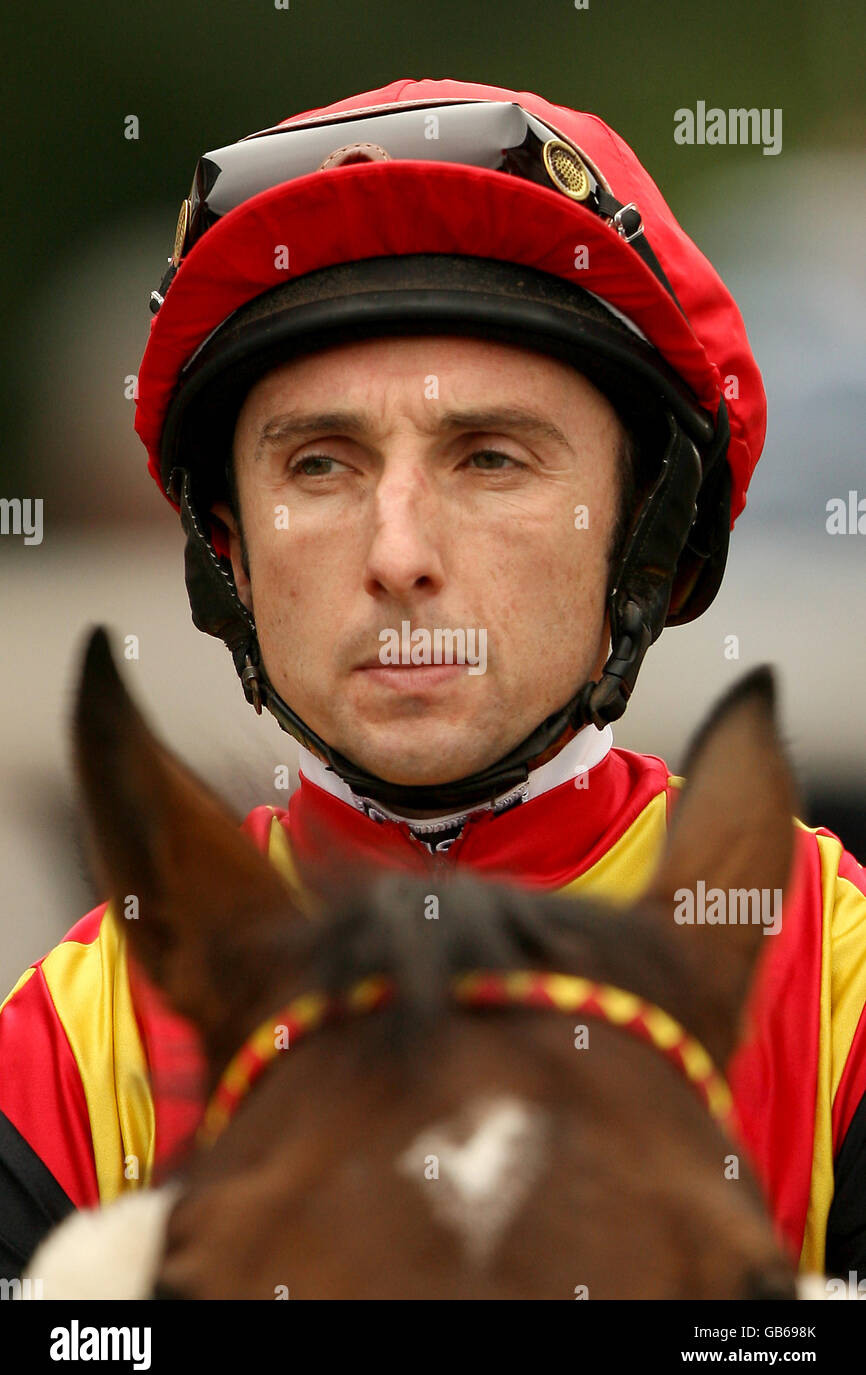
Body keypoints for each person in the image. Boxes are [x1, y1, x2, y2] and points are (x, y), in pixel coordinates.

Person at [1, 76, 864, 1285]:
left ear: (645, 540)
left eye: (490, 457)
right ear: (230, 551)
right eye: (320, 463)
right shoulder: (63, 1049)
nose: (397, 554)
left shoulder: (843, 988)